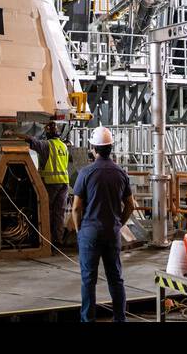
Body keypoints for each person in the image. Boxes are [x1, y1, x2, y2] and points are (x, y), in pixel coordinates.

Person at [72, 126, 134, 322]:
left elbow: (75, 208)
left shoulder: (86, 173)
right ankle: (120, 319)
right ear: (111, 147)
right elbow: (130, 205)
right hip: (112, 232)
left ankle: (88, 320)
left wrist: (79, 231)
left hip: (89, 232)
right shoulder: (120, 173)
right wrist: (119, 223)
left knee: (88, 281)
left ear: (93, 148)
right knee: (116, 279)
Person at [22, 120, 70, 245]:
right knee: (59, 214)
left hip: (50, 183)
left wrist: (13, 134)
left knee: (45, 211)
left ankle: (45, 241)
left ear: (47, 133)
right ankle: (57, 241)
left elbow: (30, 139)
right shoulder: (63, 146)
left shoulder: (46, 145)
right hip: (64, 184)